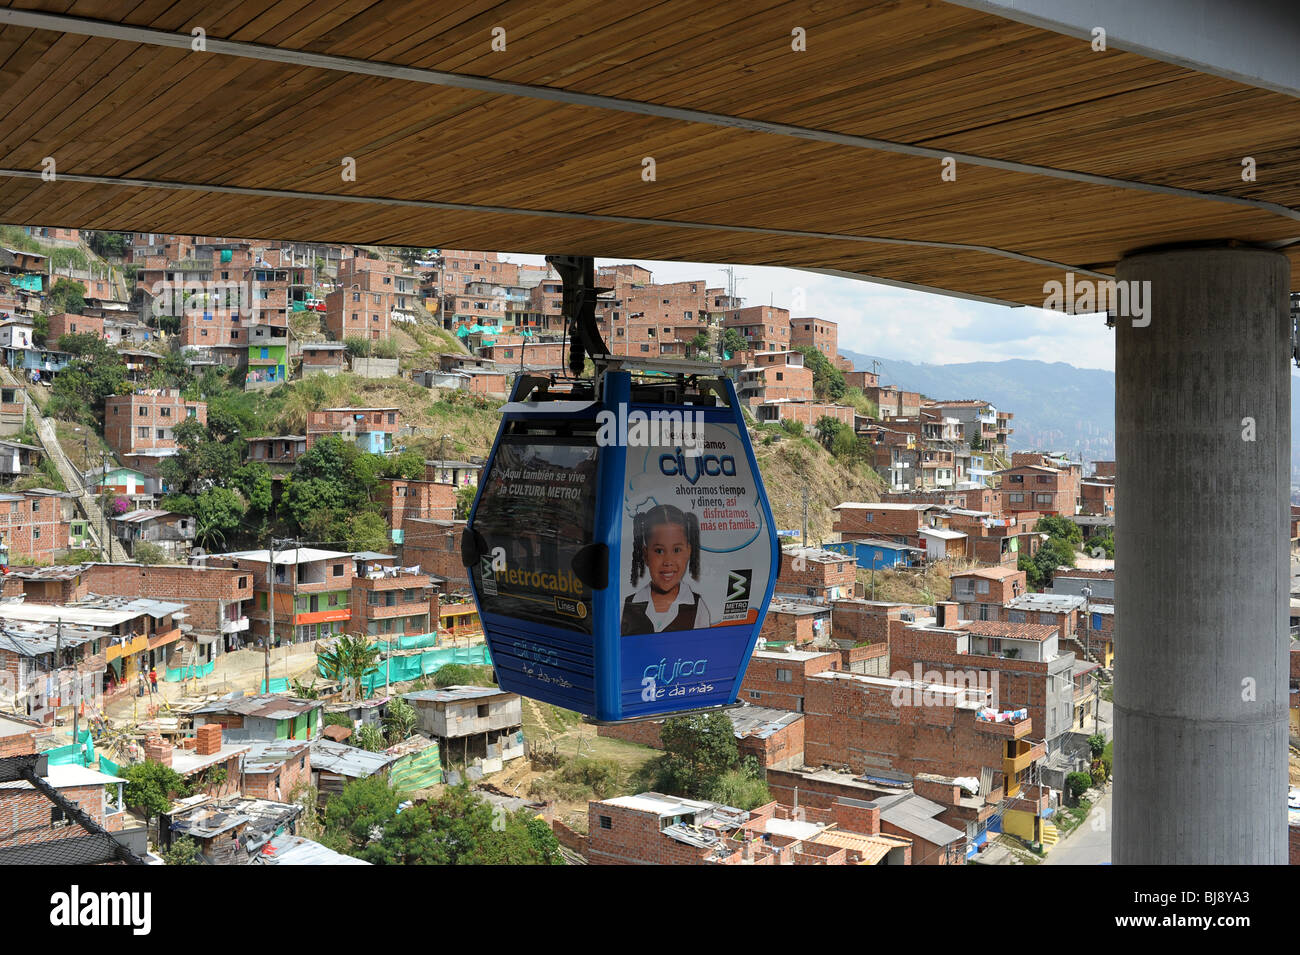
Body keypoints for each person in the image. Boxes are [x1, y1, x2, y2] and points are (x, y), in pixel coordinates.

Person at [622, 504, 714, 635]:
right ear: (646, 555)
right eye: (659, 551)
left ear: (688, 552)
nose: (668, 561)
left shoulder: (698, 608)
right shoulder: (626, 606)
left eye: (677, 550)